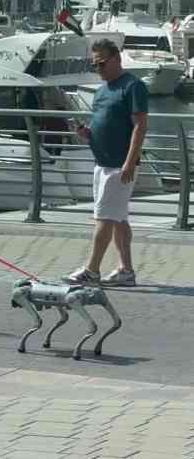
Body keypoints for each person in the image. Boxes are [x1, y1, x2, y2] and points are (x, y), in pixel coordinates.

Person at [65, 38, 149, 287]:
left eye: (101, 63)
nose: (97, 69)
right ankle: (126, 271)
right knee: (118, 218)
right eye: (94, 65)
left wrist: (129, 162)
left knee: (104, 217)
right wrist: (87, 134)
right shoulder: (101, 90)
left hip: (119, 165)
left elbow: (140, 126)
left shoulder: (133, 86)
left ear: (116, 59)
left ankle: (92, 270)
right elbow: (103, 123)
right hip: (101, 163)